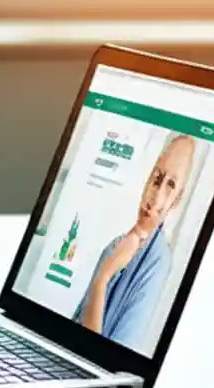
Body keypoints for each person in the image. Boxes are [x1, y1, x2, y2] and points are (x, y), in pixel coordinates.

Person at [73, 134, 197, 350]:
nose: (156, 197)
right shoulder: (114, 246)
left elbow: (104, 356)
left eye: (170, 185)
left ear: (176, 201)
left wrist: (103, 278)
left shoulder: (159, 264)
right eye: (156, 179)